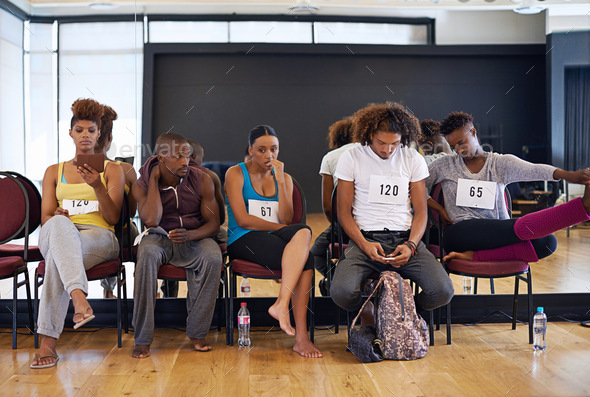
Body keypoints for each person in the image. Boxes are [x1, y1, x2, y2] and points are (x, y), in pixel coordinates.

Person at [330, 102, 454, 319]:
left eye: (394, 143)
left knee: (443, 291)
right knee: (341, 292)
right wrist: (364, 244)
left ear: (403, 138)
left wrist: (411, 245)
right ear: (369, 135)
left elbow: (421, 212)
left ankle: (400, 313)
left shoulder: (412, 158)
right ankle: (371, 312)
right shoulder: (351, 158)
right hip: (364, 240)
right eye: (381, 142)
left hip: (404, 239)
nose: (387, 149)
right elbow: (343, 213)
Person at [31, 98, 125, 369]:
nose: (85, 135)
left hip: (98, 236)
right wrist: (58, 217)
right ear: (70, 133)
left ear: (99, 134)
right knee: (59, 226)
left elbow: (113, 218)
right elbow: (46, 217)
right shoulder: (53, 171)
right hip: (60, 232)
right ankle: (79, 298)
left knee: (57, 264)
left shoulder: (112, 170)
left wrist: (97, 186)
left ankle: (47, 343)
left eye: (91, 130)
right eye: (80, 130)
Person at [426, 111, 590, 263]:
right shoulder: (443, 165)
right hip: (460, 234)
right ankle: (582, 208)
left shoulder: (499, 163)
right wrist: (439, 209)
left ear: (474, 133)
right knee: (526, 232)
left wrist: (571, 176)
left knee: (548, 242)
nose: (458, 150)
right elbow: (415, 188)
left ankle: (475, 257)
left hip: (500, 233)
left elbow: (534, 169)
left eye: (462, 143)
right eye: (453, 146)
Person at [225, 125, 322, 358]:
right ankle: (300, 336)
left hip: (274, 237)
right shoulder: (235, 173)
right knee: (306, 259)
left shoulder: (284, 177)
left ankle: (282, 304)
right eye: (262, 149)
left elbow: (289, 218)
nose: (269, 155)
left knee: (304, 237)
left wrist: (280, 180)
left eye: (274, 149)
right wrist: (282, 229)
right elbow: (244, 220)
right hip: (243, 238)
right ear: (251, 150)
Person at [131, 132, 222, 358]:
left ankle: (197, 333)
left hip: (194, 236)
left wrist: (190, 235)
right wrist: (153, 179)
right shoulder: (142, 183)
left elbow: (213, 224)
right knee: (147, 254)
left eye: (188, 156)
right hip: (158, 238)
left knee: (212, 256)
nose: (186, 162)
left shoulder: (203, 179)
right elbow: (151, 220)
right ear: (161, 158)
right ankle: (142, 338)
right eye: (179, 156)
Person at [95, 104, 140, 299]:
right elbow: (130, 212)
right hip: (119, 237)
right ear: (109, 138)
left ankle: (108, 289)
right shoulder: (125, 170)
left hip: (81, 238)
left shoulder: (67, 172)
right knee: (138, 238)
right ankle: (145, 290)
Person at [309, 117, 358, 295]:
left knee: (315, 253)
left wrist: (338, 226)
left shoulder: (330, 157)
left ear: (336, 139)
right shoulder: (372, 154)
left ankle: (336, 278)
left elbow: (328, 205)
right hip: (376, 226)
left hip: (344, 225)